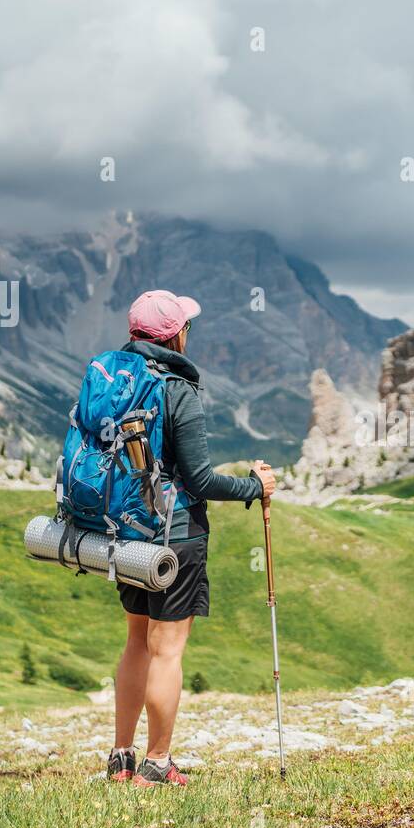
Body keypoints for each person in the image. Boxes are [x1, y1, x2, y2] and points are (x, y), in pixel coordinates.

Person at [106, 289, 276, 786]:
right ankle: (158, 763)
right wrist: (254, 487)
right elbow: (199, 481)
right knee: (168, 649)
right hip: (174, 536)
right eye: (186, 325)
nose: (189, 333)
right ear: (173, 334)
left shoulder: (116, 378)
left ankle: (121, 758)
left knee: (137, 640)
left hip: (125, 532)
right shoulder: (177, 389)